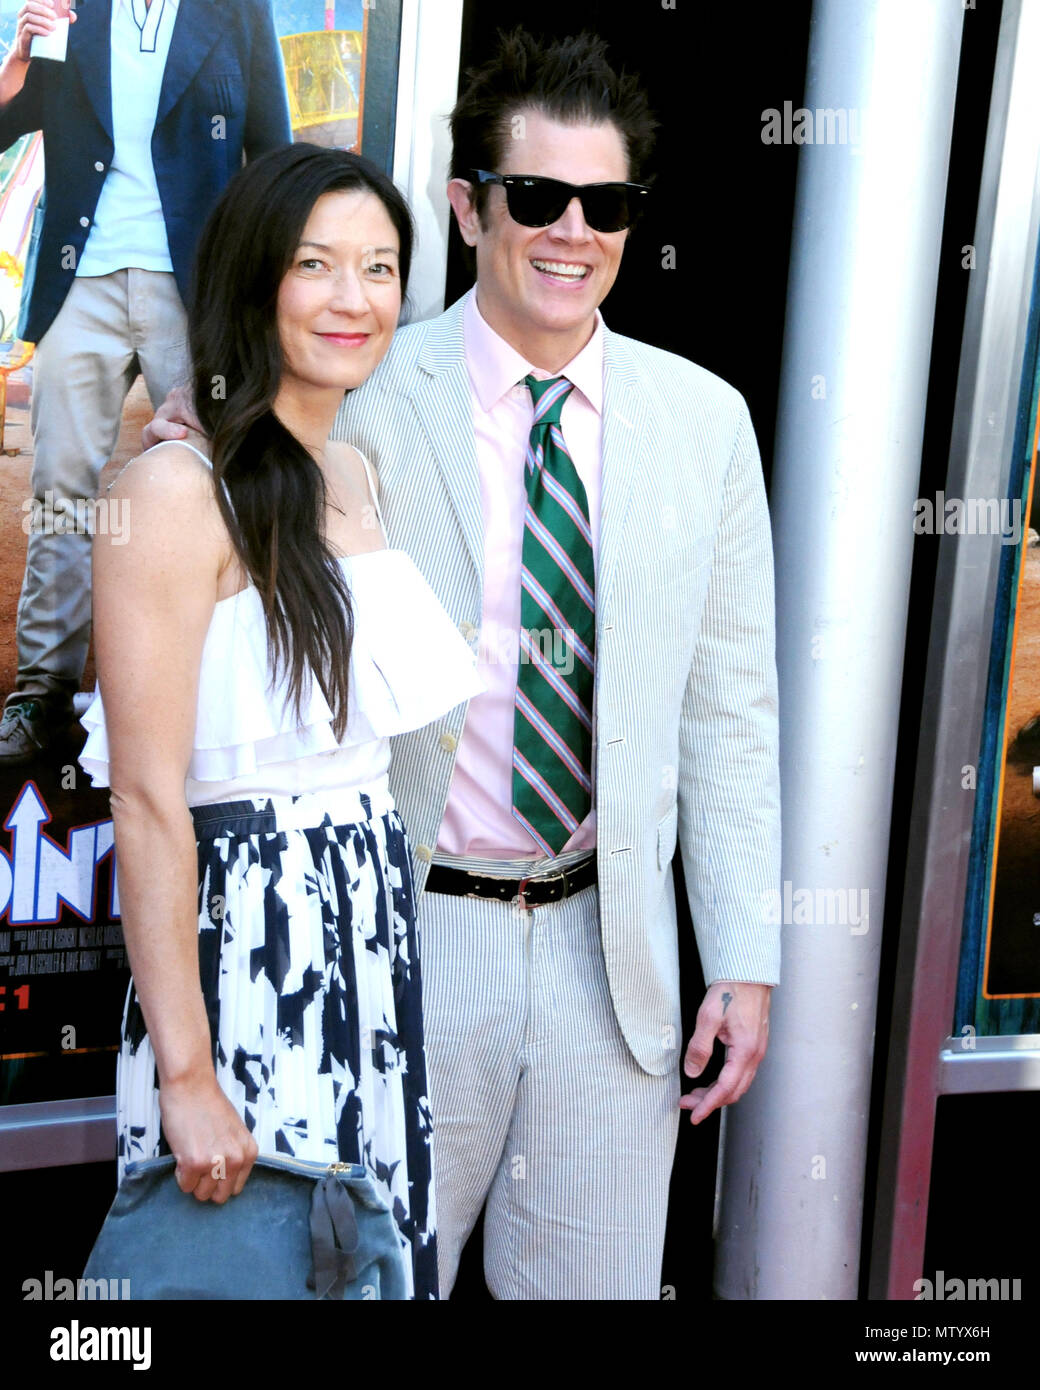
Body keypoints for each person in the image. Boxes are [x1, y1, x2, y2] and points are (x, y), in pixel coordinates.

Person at [146, 29, 782, 1301]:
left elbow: (730, 709)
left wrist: (745, 953)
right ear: (468, 207)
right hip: (407, 928)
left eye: (604, 205)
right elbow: (220, 461)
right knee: (370, 1287)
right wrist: (191, 425)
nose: (570, 233)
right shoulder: (361, 390)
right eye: (535, 197)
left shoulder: (704, 422)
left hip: (617, 952)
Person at [77, 143, 482, 1300]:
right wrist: (189, 1073)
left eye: (378, 267)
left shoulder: (350, 473)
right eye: (316, 264)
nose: (353, 298)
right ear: (256, 278)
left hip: (366, 932)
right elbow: (147, 802)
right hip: (243, 948)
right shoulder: (167, 494)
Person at [0, 0, 292, 763]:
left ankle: (214, 693)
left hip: (192, 287)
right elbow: (5, 127)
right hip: (79, 282)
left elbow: (273, 151)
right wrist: (19, 62)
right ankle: (42, 695)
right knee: (60, 489)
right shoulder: (70, 10)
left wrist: (260, 292)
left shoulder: (235, 12)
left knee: (213, 482)